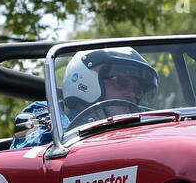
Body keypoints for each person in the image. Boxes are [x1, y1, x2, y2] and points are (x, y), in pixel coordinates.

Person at [10, 47, 159, 149]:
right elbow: (30, 161)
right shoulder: (47, 116)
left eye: (136, 89)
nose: (131, 94)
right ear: (86, 79)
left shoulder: (146, 129)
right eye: (122, 83)